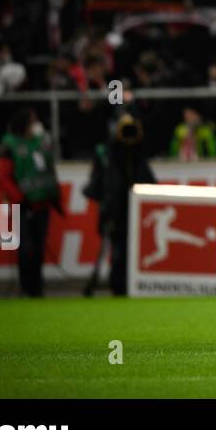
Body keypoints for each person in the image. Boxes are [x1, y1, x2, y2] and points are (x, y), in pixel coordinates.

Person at [84, 112, 156, 295]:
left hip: (136, 210)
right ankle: (118, 288)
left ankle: (131, 285)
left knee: (133, 251)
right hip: (115, 211)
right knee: (118, 252)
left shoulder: (137, 152)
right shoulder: (107, 153)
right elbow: (98, 185)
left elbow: (148, 179)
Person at [0, 109, 62, 297]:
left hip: (42, 203)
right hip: (23, 205)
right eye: (33, 121)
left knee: (39, 247)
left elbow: (49, 171)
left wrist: (55, 197)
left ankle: (36, 287)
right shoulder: (8, 146)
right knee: (26, 247)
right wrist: (19, 199)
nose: (36, 125)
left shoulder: (41, 143)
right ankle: (26, 287)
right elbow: (3, 178)